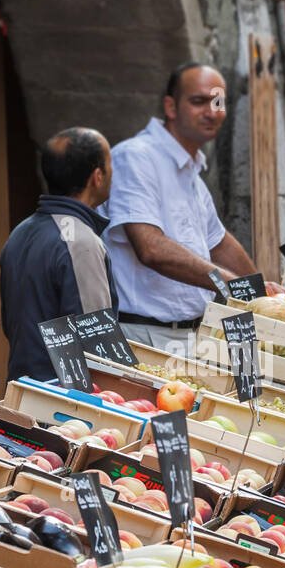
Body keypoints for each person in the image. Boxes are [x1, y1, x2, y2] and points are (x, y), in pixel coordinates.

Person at [101, 62, 259, 352]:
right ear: (171, 107)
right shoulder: (136, 157)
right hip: (144, 336)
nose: (212, 112)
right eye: (199, 101)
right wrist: (232, 283)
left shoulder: (191, 171)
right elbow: (151, 249)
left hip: (189, 337)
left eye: (218, 102)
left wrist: (261, 293)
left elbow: (220, 242)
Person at [0, 128, 118, 383]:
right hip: (67, 402)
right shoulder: (81, 242)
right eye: (110, 165)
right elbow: (98, 346)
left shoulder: (20, 232)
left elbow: (12, 325)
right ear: (97, 176)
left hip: (25, 390)